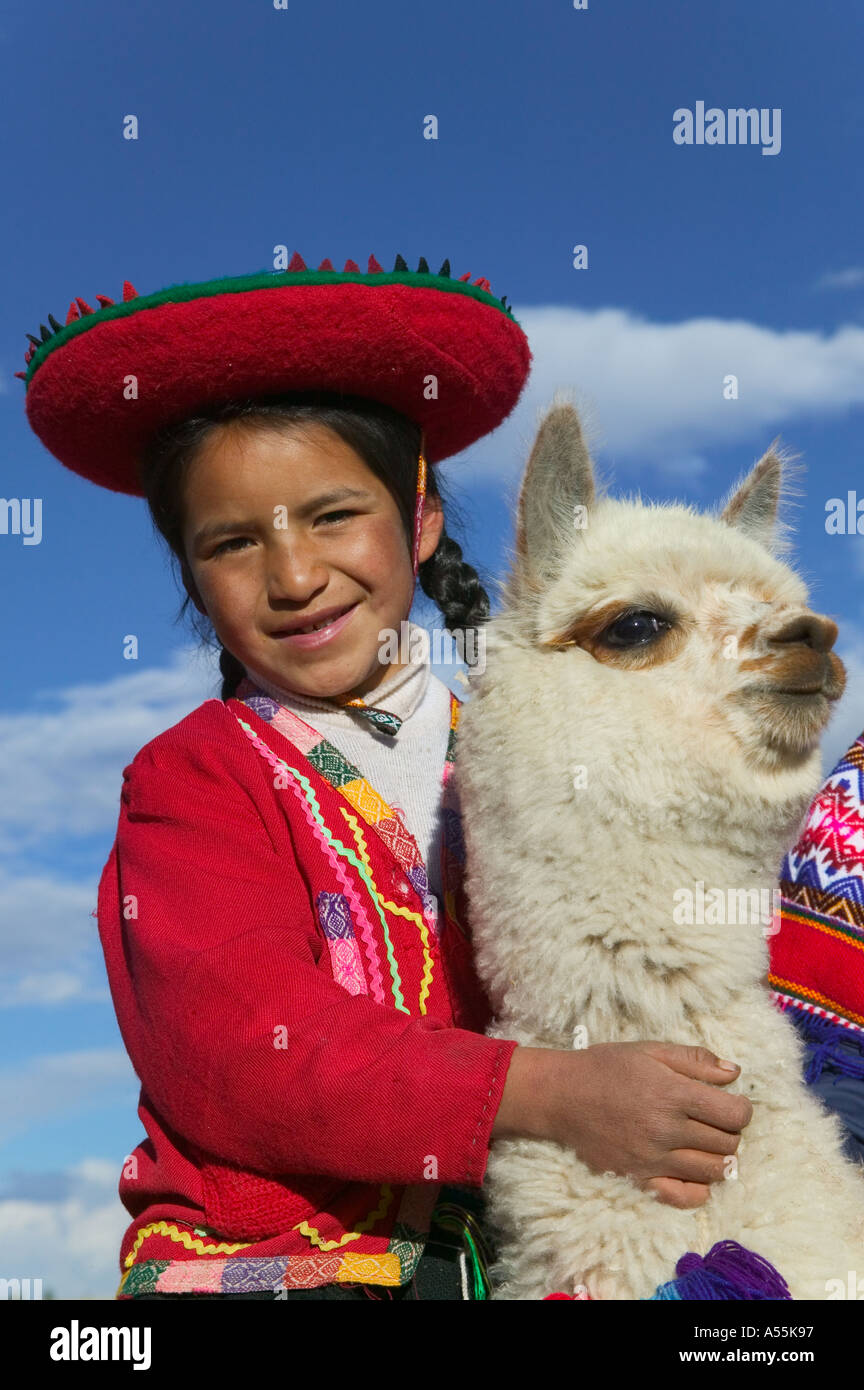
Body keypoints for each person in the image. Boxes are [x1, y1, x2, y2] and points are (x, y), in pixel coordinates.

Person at [19, 254, 753, 1300]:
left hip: (517, 1252)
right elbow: (239, 1044)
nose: (295, 575)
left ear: (419, 521)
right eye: (232, 540)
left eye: (331, 516)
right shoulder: (194, 779)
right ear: (189, 572)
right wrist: (548, 1091)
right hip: (277, 1270)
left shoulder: (514, 755)